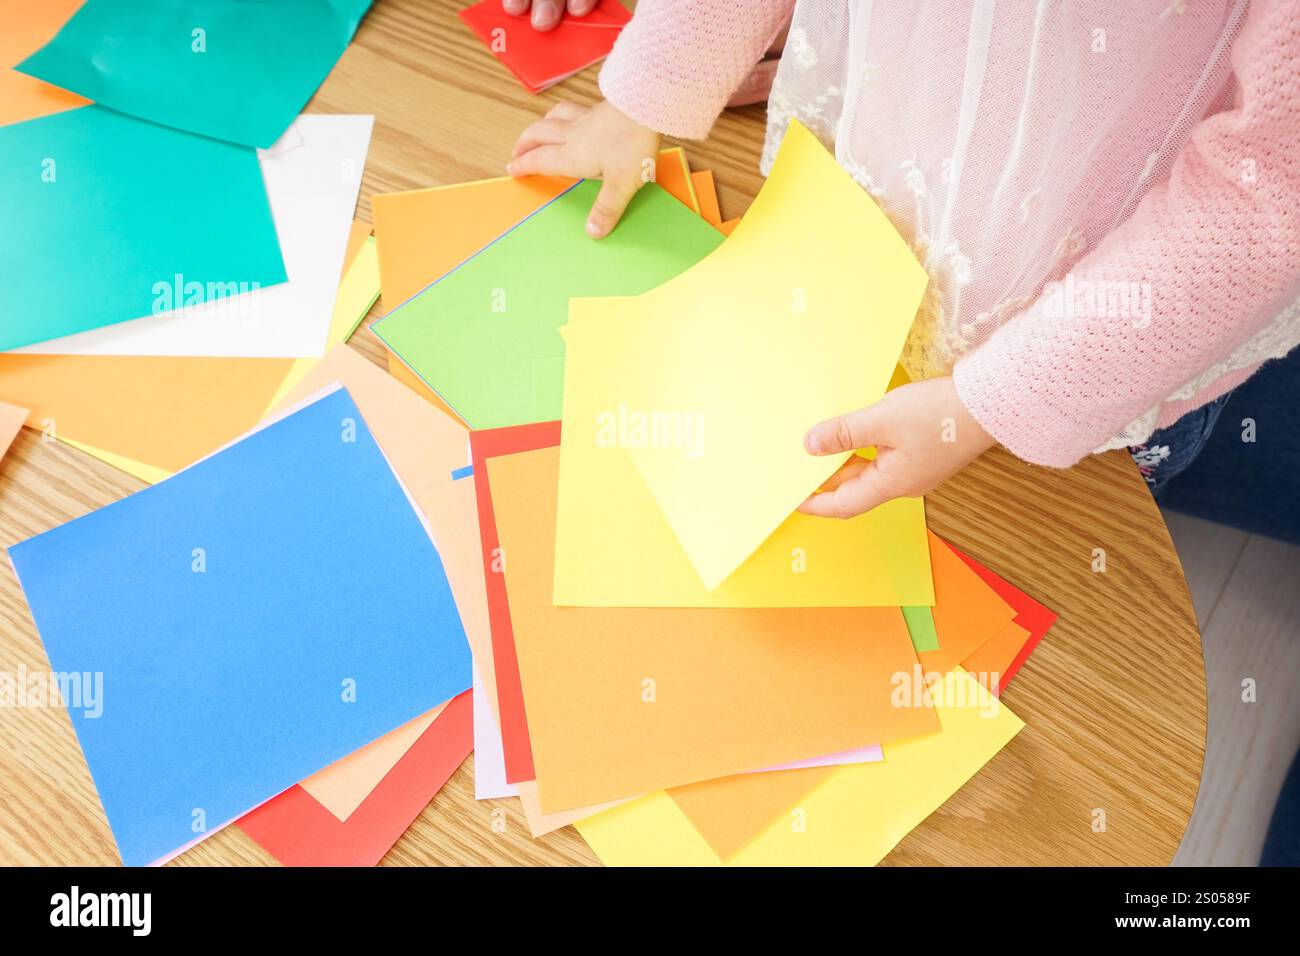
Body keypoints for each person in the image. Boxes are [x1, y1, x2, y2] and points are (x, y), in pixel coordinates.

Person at [503, 0, 1300, 516]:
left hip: (1098, 338)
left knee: (1046, 539)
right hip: (852, 227)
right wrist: (652, 89)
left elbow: (1266, 200)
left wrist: (993, 405)